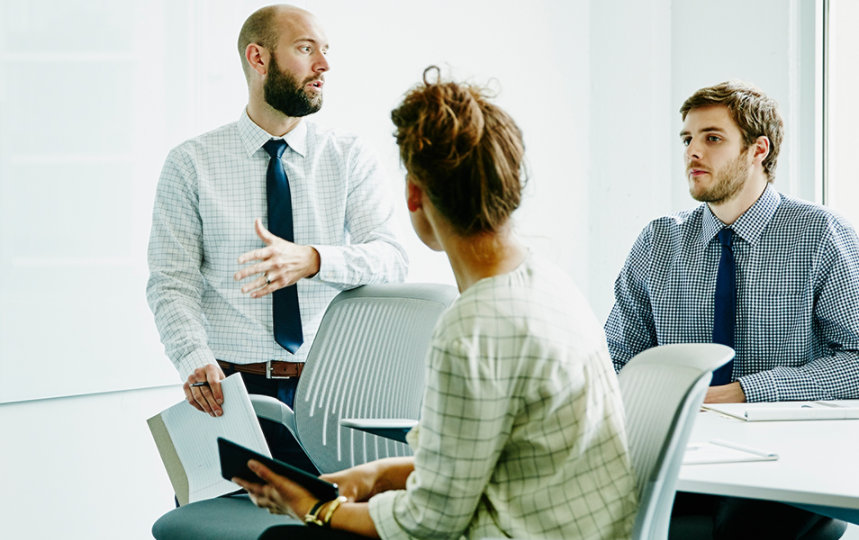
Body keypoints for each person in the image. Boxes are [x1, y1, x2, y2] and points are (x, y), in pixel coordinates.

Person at [231, 67, 640, 539]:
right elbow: (486, 464)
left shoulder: (472, 327)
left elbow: (427, 523)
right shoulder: (551, 284)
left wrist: (311, 508)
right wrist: (378, 475)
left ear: (414, 194)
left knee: (285, 536)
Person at [146, 4, 408, 470]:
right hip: (229, 398)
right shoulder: (191, 163)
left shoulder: (348, 157)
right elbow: (172, 281)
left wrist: (313, 260)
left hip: (331, 396)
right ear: (258, 58)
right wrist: (193, 357)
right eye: (306, 49)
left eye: (325, 51)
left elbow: (391, 259)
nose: (323, 65)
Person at [605, 81, 859, 538]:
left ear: (758, 149)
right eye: (687, 139)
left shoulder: (820, 235)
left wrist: (744, 391)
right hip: (677, 454)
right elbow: (616, 358)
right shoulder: (658, 241)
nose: (692, 152)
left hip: (787, 462)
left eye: (712, 138)